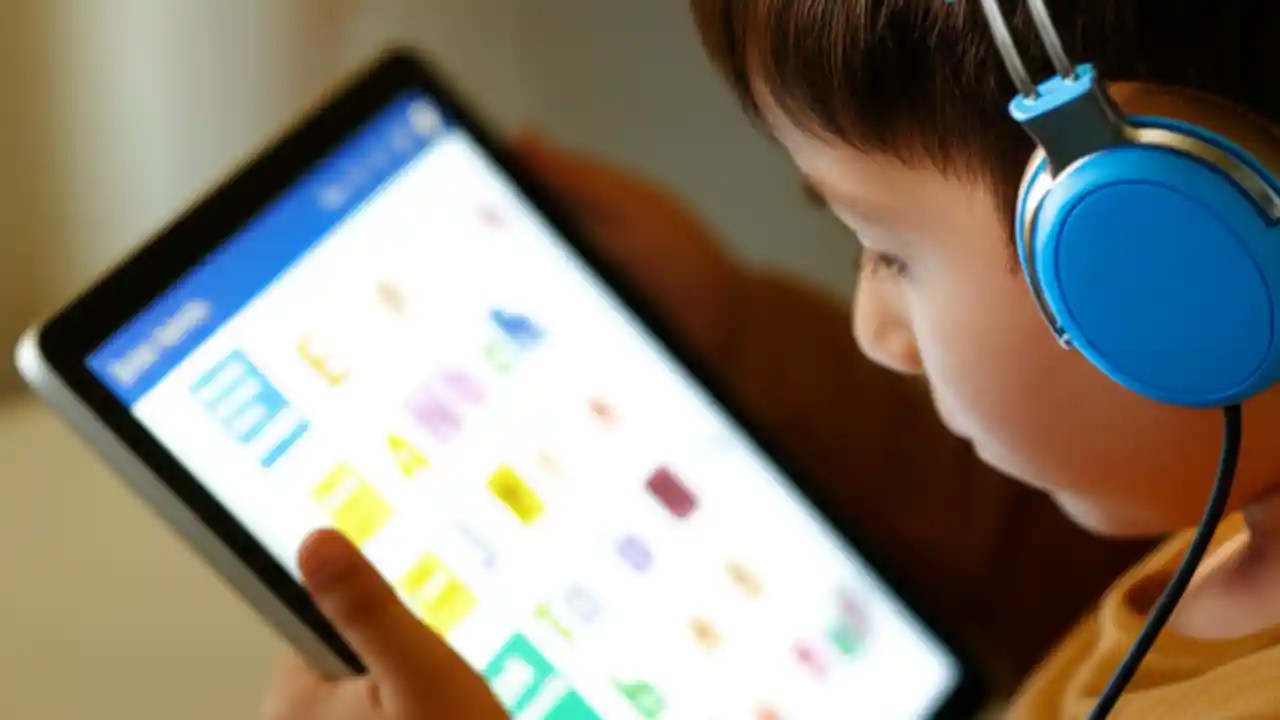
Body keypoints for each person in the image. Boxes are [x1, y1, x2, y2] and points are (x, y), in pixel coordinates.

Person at [261, 2, 1280, 718]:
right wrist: (733, 330)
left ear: (1173, 240)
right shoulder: (1219, 538)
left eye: (885, 250)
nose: (872, 331)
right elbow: (1059, 541)